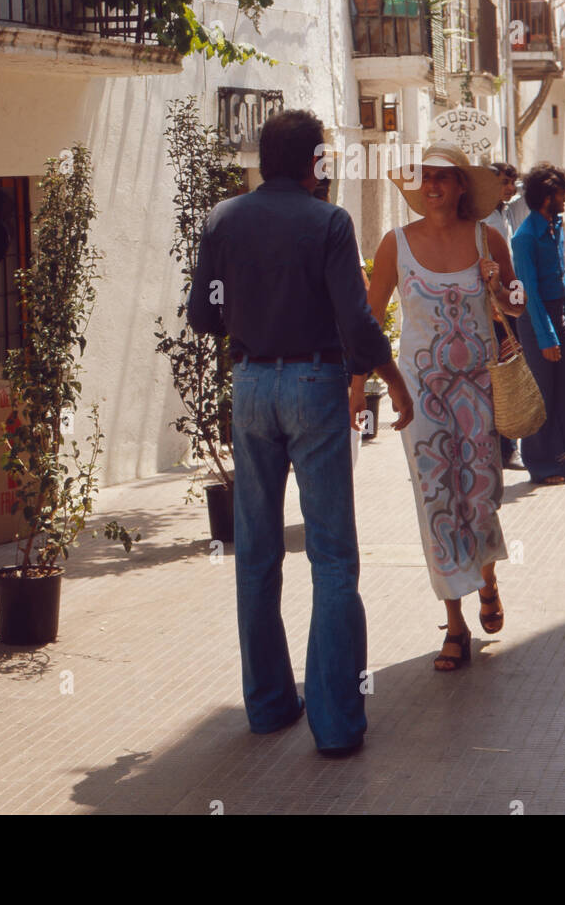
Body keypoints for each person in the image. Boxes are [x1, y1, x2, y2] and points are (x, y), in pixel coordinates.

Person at [187, 109, 413, 758]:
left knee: (255, 554)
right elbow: (356, 322)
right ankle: (336, 724)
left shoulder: (224, 220)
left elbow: (203, 315)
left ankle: (266, 708)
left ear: (263, 159)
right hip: (313, 386)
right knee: (332, 557)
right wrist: (391, 379)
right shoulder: (329, 222)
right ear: (314, 163)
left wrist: (256, 308)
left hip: (250, 386)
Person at [352, 144, 522, 673]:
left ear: (462, 186)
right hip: (420, 395)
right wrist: (358, 385)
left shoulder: (486, 237)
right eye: (425, 178)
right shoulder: (394, 245)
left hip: (480, 390)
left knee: (481, 493)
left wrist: (499, 283)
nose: (432, 187)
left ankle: (488, 581)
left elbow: (517, 302)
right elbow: (370, 318)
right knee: (436, 501)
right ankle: (455, 623)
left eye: (443, 179)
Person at [511, 163, 565, 484]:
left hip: (558, 313)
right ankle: (543, 465)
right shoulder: (524, 238)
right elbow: (529, 292)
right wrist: (547, 337)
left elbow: (561, 277)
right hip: (536, 322)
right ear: (548, 195)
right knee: (541, 393)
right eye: (562, 192)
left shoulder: (555, 226)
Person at [482, 161, 526, 471]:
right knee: (500, 375)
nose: (509, 188)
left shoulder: (505, 214)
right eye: (503, 182)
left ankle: (508, 445)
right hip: (493, 307)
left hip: (507, 302)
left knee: (509, 372)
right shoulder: (484, 219)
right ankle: (504, 448)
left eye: (511, 182)